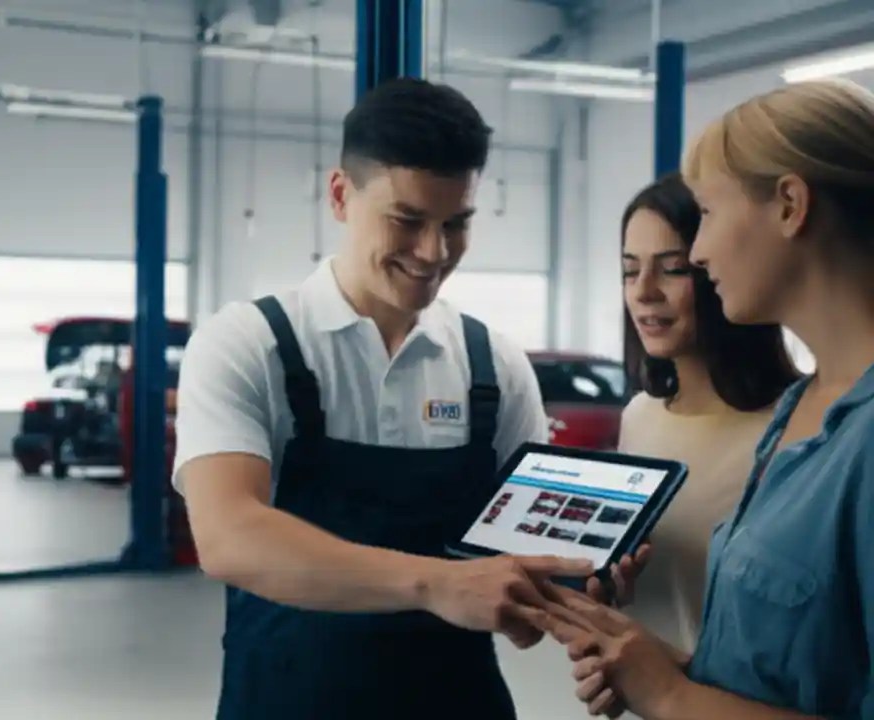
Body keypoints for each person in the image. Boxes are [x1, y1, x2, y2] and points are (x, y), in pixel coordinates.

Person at [172, 78, 616, 719]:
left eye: (456, 224)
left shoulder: (493, 364)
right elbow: (229, 536)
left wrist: (582, 575)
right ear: (340, 196)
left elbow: (517, 543)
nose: (434, 253)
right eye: (407, 220)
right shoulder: (247, 344)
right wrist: (437, 584)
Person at [549, 78, 874, 720]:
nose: (700, 251)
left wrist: (673, 697)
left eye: (711, 213)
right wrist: (669, 668)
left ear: (788, 205)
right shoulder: (801, 411)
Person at [616, 174, 799, 652]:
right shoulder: (639, 417)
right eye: (629, 271)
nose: (644, 292)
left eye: (672, 269)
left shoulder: (796, 428)